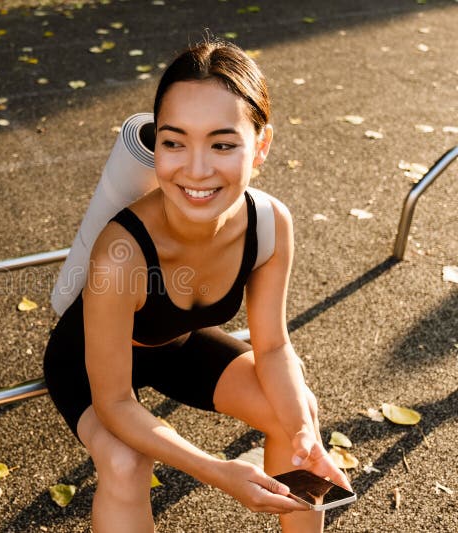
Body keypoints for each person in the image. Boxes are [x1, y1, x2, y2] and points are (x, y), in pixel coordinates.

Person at [43, 39, 351, 533]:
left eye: (223, 144)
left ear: (261, 147)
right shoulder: (120, 254)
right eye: (174, 141)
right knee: (125, 463)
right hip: (87, 363)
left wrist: (300, 435)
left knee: (298, 412)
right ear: (156, 144)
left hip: (175, 345)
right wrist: (218, 471)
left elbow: (272, 347)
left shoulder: (270, 224)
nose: (196, 168)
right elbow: (115, 403)